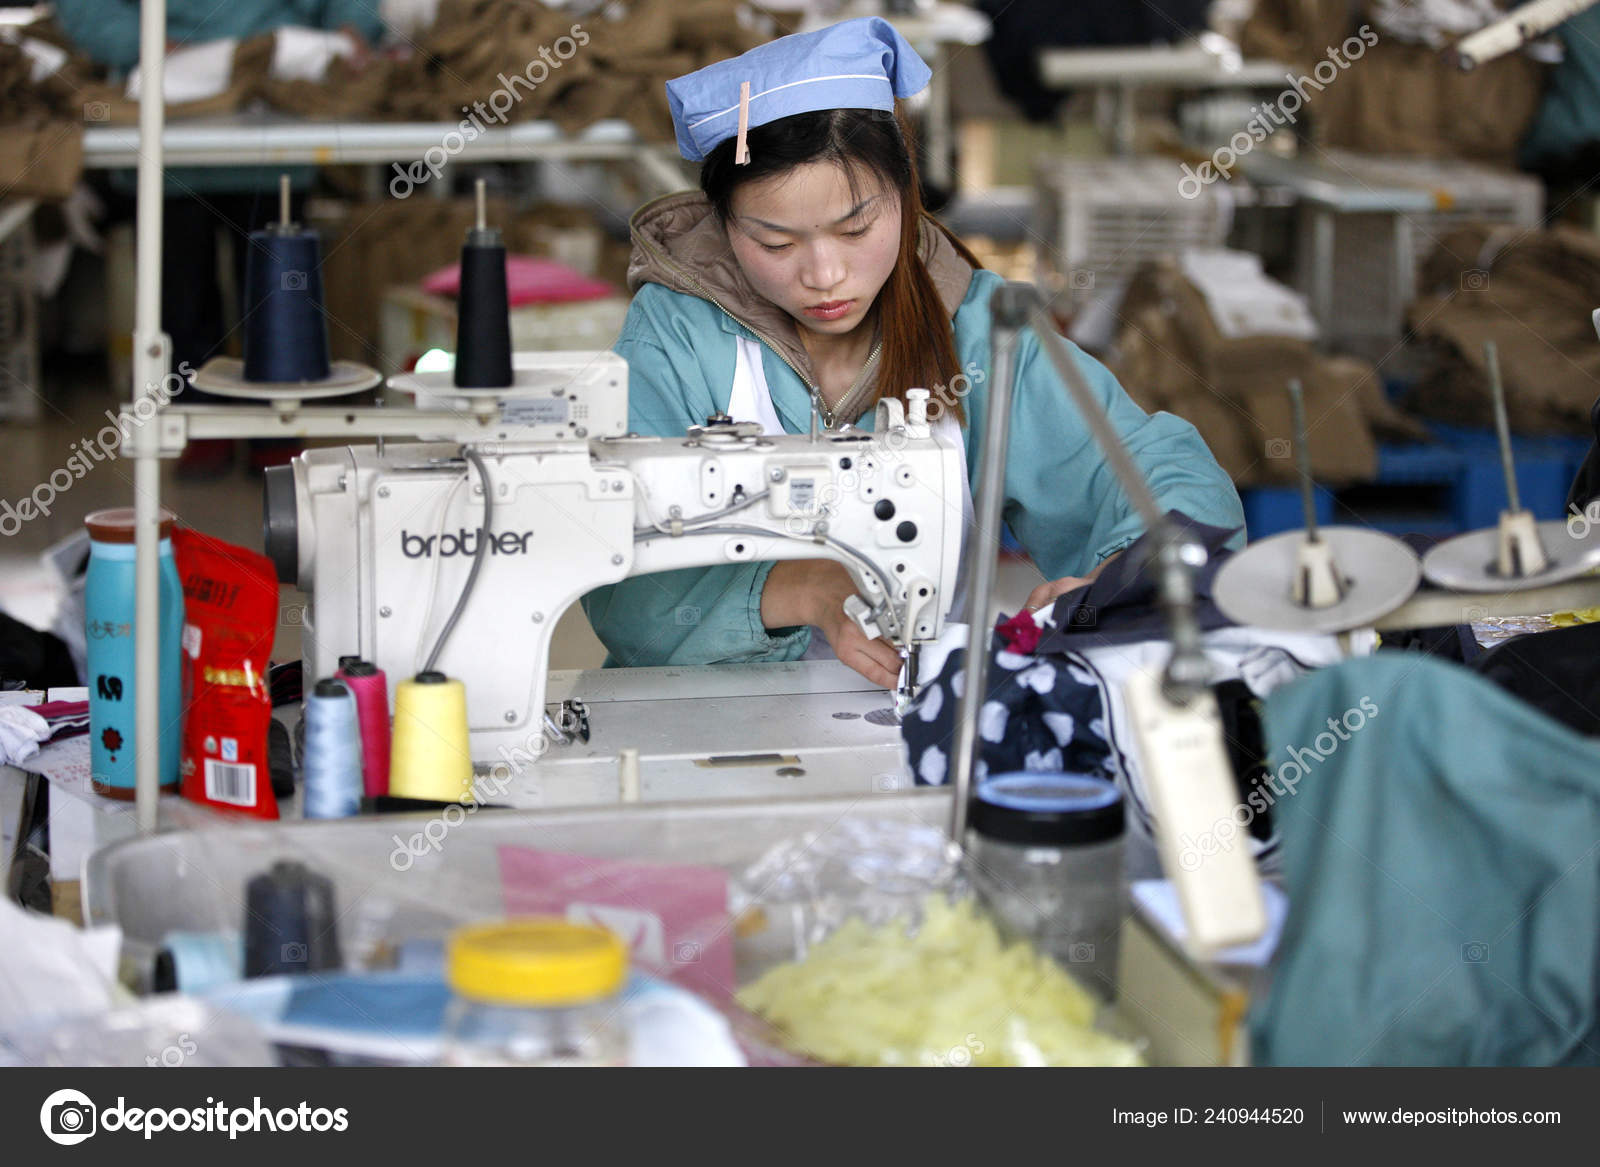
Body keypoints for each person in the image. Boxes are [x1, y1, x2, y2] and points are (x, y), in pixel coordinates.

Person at [582, 18, 1245, 690]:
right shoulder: (677, 335)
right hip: (694, 718)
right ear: (723, 224)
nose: (824, 274)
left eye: (856, 228)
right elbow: (616, 573)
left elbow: (1152, 474)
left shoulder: (982, 330)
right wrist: (806, 589)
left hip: (913, 712)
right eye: (776, 244)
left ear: (905, 193)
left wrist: (1128, 576)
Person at [54, 0, 384, 477]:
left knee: (279, 295)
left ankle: (276, 426)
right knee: (182, 297)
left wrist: (351, 30)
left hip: (278, 114)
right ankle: (202, 422)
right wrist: (140, 44)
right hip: (174, 123)